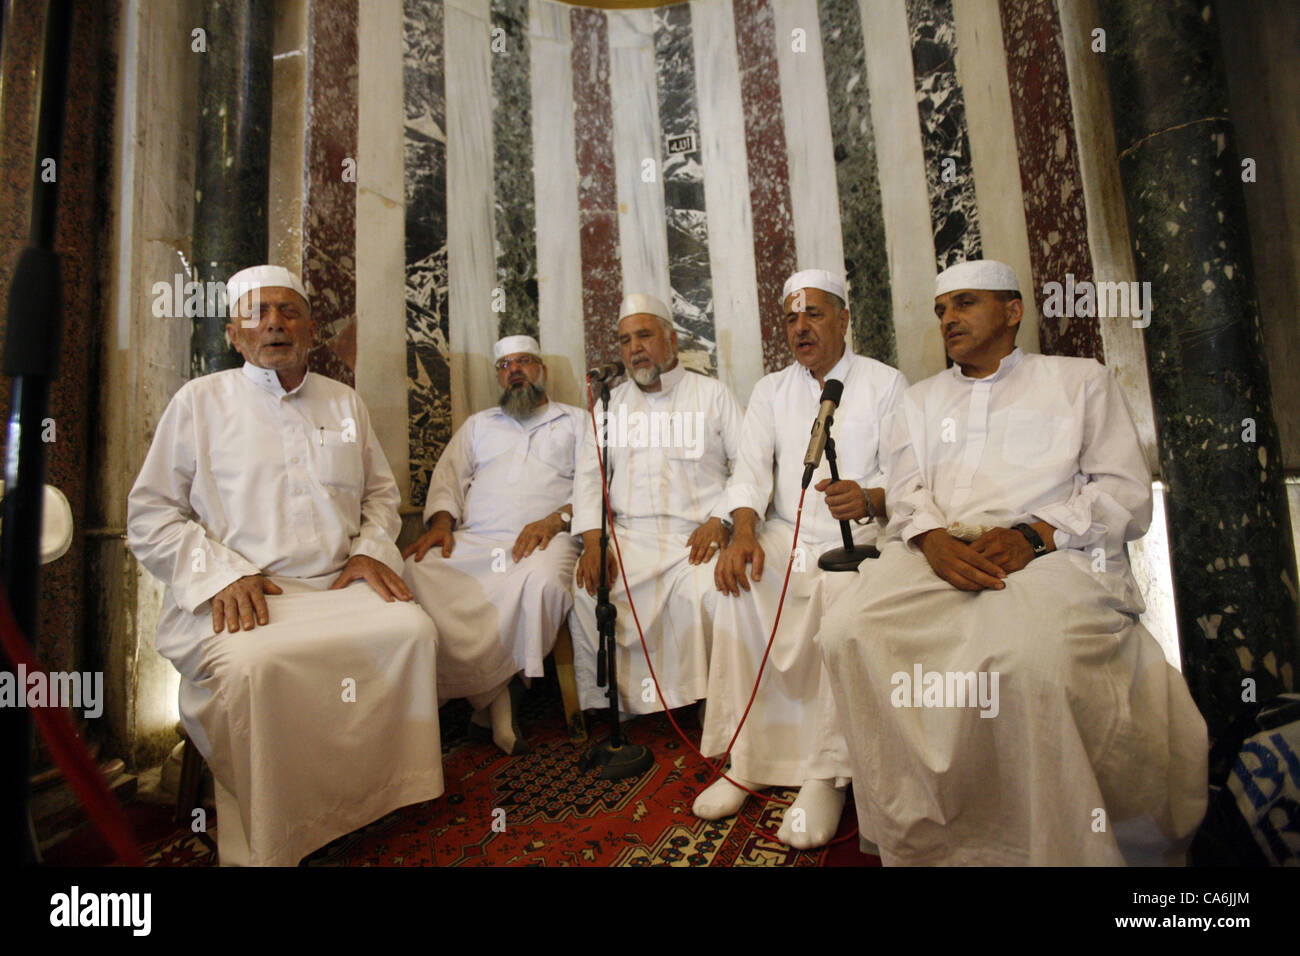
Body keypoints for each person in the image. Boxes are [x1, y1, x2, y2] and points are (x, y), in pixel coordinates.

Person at [819, 259, 1208, 865]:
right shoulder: (920, 401)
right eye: (943, 310)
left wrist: (1036, 534)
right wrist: (931, 540)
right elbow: (906, 490)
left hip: (1053, 552)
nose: (950, 318)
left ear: (1013, 310)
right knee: (847, 633)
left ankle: (1054, 845)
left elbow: (1125, 492)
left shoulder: (1080, 381)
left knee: (1030, 661)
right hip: (937, 552)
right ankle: (929, 839)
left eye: (966, 304)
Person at [127, 265, 443, 866]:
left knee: (412, 630)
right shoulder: (199, 402)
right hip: (247, 595)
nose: (273, 322)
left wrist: (367, 552)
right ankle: (271, 832)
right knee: (259, 664)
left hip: (335, 584)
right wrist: (224, 574)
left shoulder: (344, 401)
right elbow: (150, 515)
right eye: (256, 313)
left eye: (287, 311)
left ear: (311, 326)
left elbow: (380, 495)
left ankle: (365, 799)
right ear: (234, 334)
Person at [694, 269, 907, 848]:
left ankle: (826, 775)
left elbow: (908, 473)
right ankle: (750, 760)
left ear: (843, 318)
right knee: (737, 584)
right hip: (787, 532)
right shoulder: (770, 390)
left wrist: (870, 495)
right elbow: (751, 474)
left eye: (813, 314)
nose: (800, 328)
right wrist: (742, 534)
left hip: (861, 537)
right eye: (790, 318)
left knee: (842, 602)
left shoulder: (886, 384)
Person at [402, 335, 584, 755]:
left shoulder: (577, 422)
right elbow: (447, 480)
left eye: (524, 362)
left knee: (545, 583)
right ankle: (497, 698)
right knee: (415, 568)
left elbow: (599, 487)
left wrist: (557, 519)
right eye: (505, 366)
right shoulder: (479, 425)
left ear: (543, 370)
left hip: (547, 540)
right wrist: (442, 523)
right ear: (498, 377)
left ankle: (494, 703)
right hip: (478, 540)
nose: (514, 371)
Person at [569, 293, 743, 718]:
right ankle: (618, 703)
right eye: (626, 340)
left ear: (672, 340)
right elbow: (590, 480)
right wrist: (594, 544)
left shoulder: (713, 395)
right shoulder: (609, 405)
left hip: (695, 540)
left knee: (712, 591)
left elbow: (749, 467)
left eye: (644, 336)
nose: (634, 349)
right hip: (628, 538)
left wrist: (721, 520)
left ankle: (707, 699)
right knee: (587, 587)